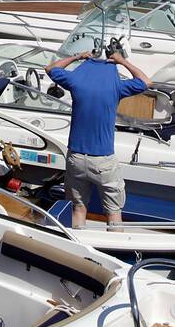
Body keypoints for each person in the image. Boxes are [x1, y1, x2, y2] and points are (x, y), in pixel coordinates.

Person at [46, 45, 152, 229]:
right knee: (113, 211)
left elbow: (50, 68)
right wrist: (122, 61)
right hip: (103, 161)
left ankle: (79, 245)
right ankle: (114, 247)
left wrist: (78, 55)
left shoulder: (75, 81)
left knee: (78, 208)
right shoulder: (117, 86)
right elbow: (146, 82)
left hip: (76, 158)